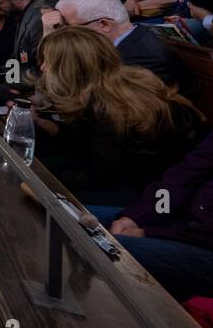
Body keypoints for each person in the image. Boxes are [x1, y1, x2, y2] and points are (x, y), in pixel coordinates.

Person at [32, 27, 203, 207]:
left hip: (150, 193)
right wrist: (46, 125)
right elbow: (89, 147)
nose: (43, 67)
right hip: (138, 178)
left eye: (48, 61)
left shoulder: (108, 108)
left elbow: (98, 174)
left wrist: (39, 171)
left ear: (71, 67)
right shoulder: (116, 83)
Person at [91, 131, 213, 301]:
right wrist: (135, 218)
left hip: (202, 246)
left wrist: (147, 232)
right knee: (74, 213)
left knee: (106, 247)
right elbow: (183, 177)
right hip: (180, 222)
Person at [55, 0, 186, 87]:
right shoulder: (125, 42)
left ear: (104, 24)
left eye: (68, 26)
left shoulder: (143, 60)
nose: (65, 33)